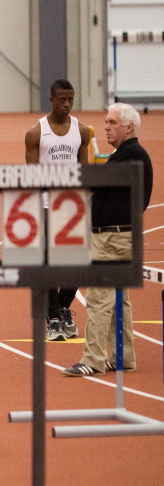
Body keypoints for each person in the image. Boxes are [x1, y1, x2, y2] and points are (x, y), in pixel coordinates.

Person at [64, 103, 153, 377]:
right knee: (118, 301)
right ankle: (123, 356)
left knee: (99, 299)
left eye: (112, 122)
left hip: (113, 238)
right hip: (118, 236)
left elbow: (94, 183)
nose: (106, 127)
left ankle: (92, 360)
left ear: (129, 127)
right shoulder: (128, 154)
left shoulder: (130, 154)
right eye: (106, 122)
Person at [24, 79, 90, 342]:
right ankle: (52, 318)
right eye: (62, 99)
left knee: (77, 263)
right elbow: (31, 175)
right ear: (51, 99)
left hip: (72, 207)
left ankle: (63, 307)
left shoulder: (81, 131)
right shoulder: (36, 133)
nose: (67, 104)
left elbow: (85, 172)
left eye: (70, 99)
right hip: (45, 205)